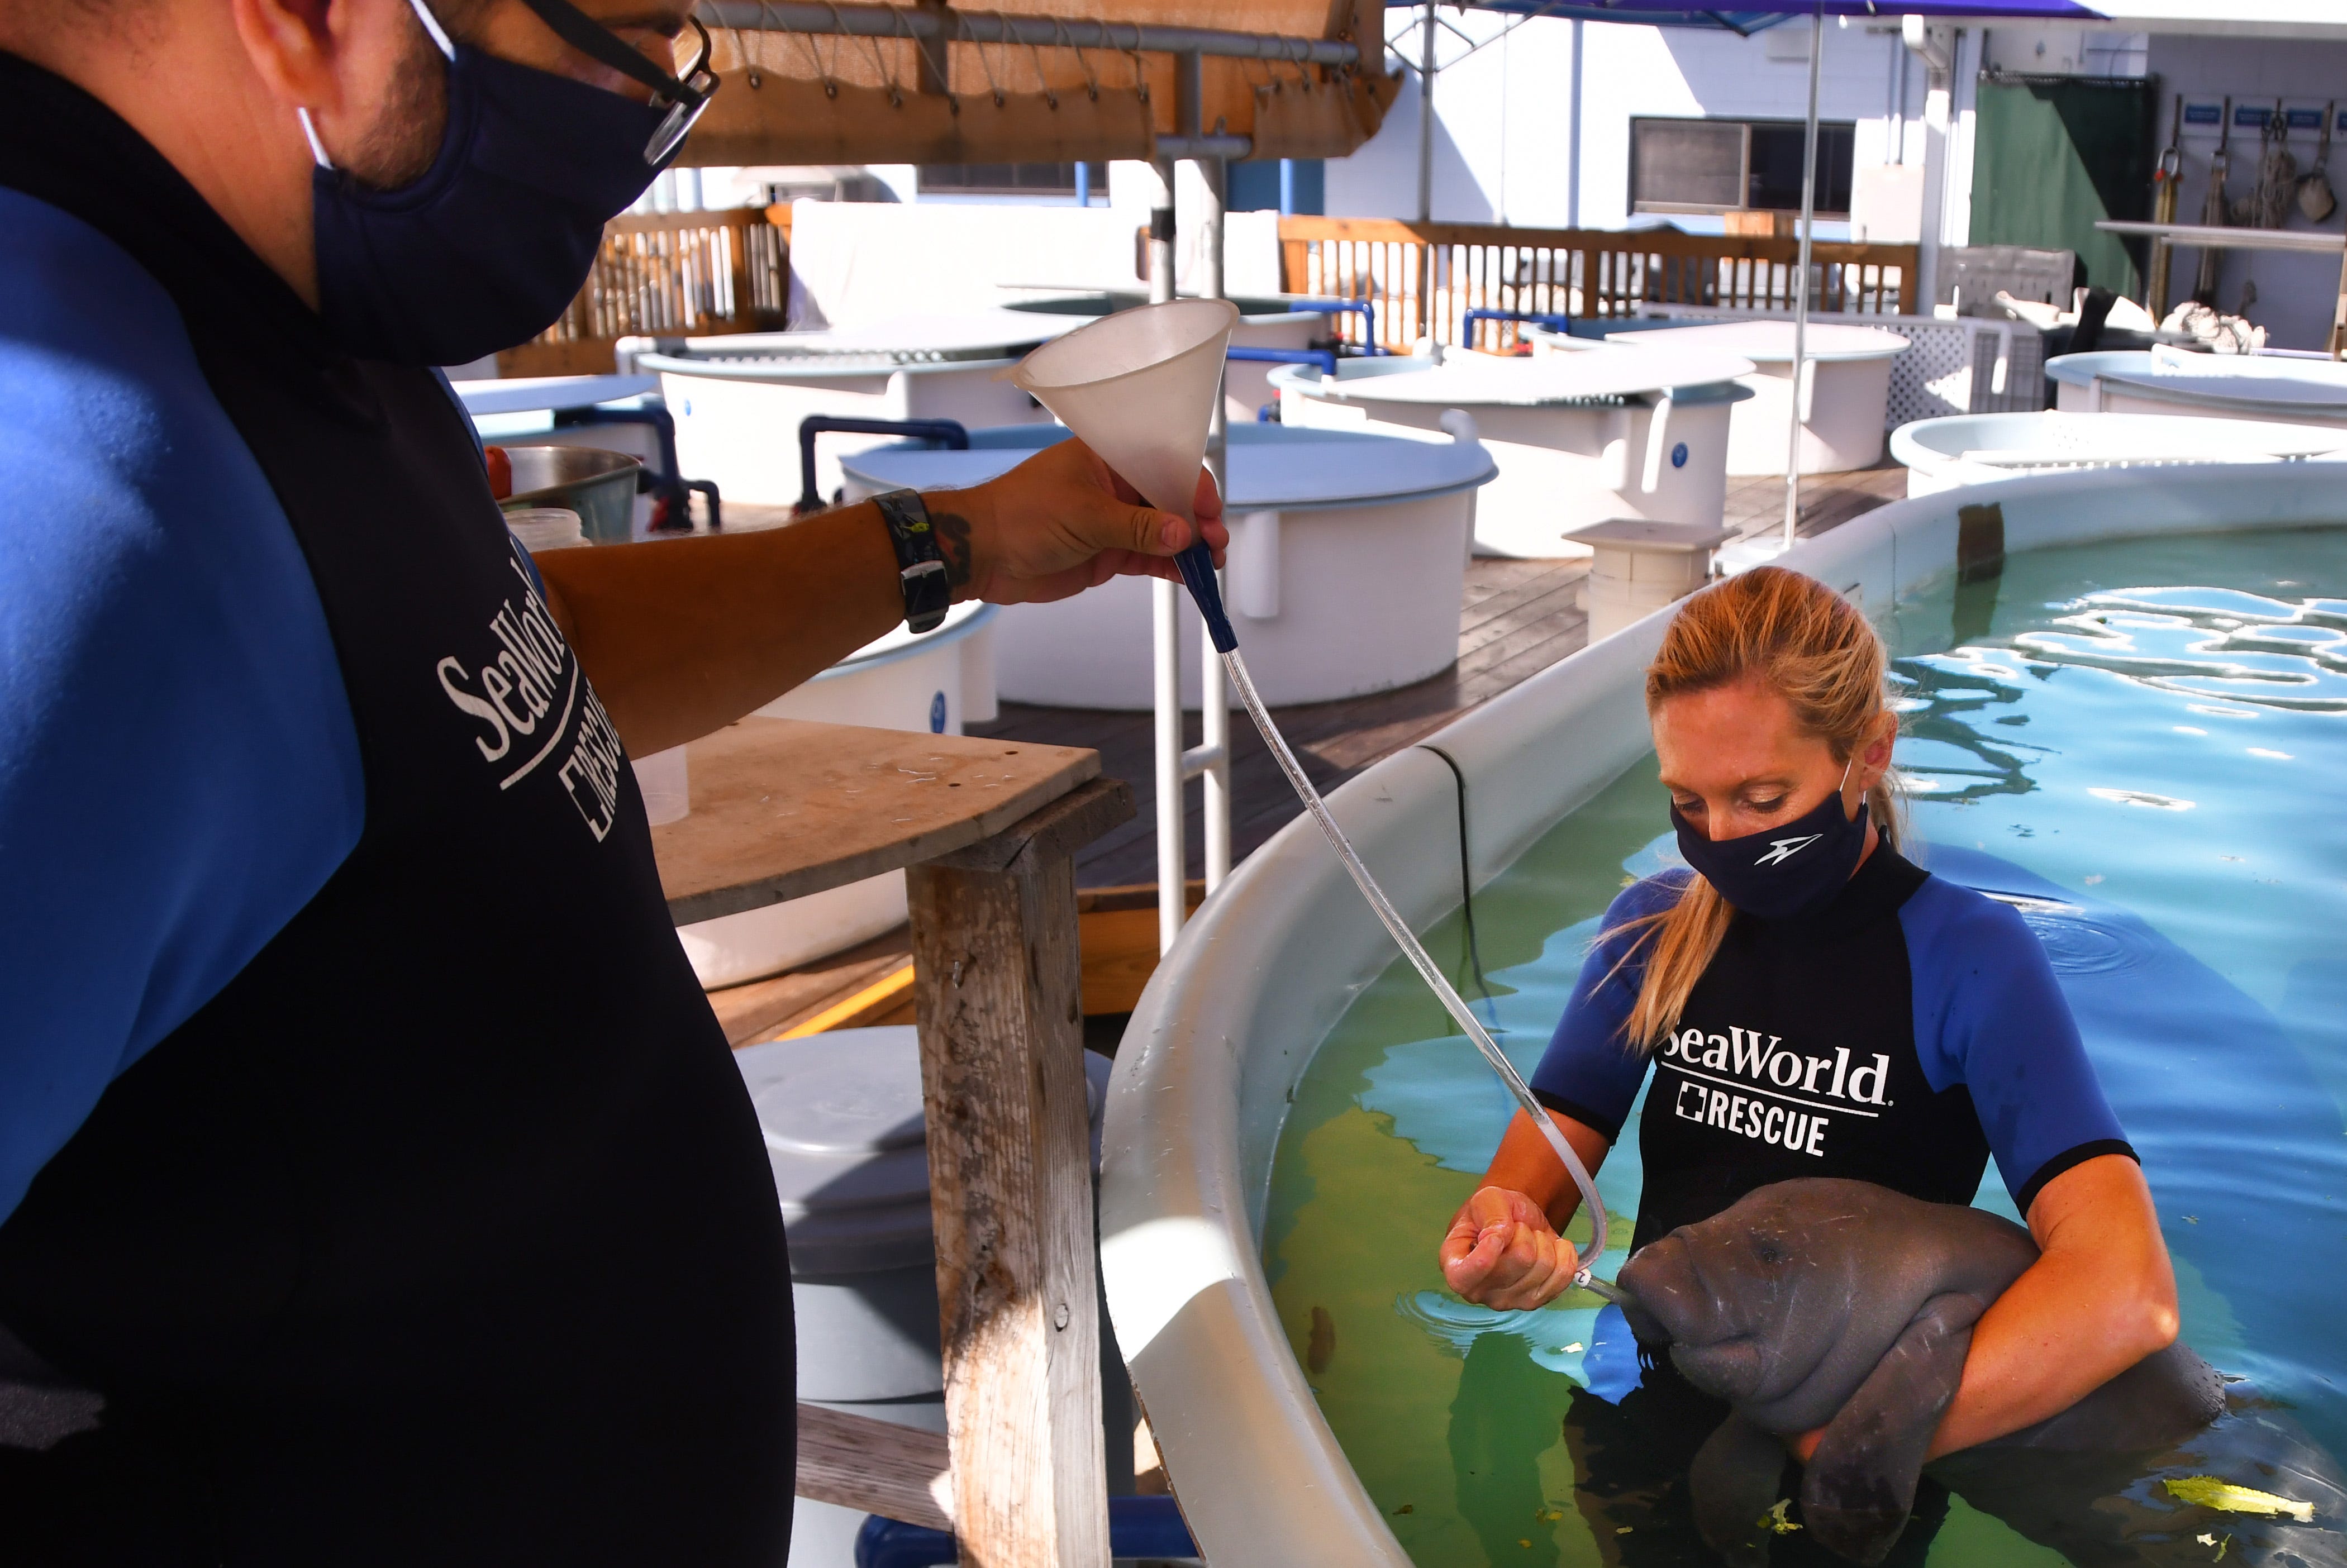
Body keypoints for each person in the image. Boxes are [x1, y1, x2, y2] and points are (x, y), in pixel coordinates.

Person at [0, 1, 1223, 1560]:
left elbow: (497, 659)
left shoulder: (265, 309)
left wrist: (953, 541)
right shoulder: (56, 508)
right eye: (615, 25)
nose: (644, 104)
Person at [1436, 566, 2178, 1558]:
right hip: (1644, 1395)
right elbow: (1520, 1201)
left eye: (1761, 796)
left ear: (1866, 754)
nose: (1723, 838)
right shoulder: (1649, 932)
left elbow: (2126, 1290)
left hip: (1866, 1435)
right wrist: (1496, 1253)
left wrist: (1860, 1445)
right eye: (1687, 802)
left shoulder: (1967, 957)